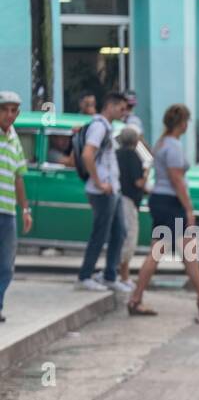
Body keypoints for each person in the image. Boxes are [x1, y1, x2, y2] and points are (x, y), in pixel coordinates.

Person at [127, 104, 199, 317]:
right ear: (182, 123)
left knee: (186, 253)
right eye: (187, 122)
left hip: (162, 201)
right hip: (170, 203)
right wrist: (189, 208)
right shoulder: (172, 147)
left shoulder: (163, 143)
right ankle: (136, 299)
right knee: (161, 253)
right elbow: (176, 179)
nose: (187, 125)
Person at [77, 91, 129, 292]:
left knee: (119, 232)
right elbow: (87, 154)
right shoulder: (99, 126)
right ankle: (85, 276)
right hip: (102, 191)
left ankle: (110, 275)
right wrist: (98, 183)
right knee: (100, 233)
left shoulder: (107, 127)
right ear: (111, 106)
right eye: (121, 108)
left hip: (111, 189)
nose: (124, 113)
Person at [0, 90, 32, 322]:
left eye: (13, 111)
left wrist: (25, 209)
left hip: (8, 211)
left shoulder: (14, 138)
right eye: (4, 109)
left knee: (7, 265)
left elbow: (19, 176)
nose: (9, 115)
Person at [116, 126, 146, 288]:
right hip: (128, 201)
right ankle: (124, 276)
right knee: (129, 239)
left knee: (121, 238)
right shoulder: (133, 156)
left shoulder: (117, 154)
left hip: (119, 198)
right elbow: (138, 182)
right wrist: (146, 173)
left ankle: (119, 274)